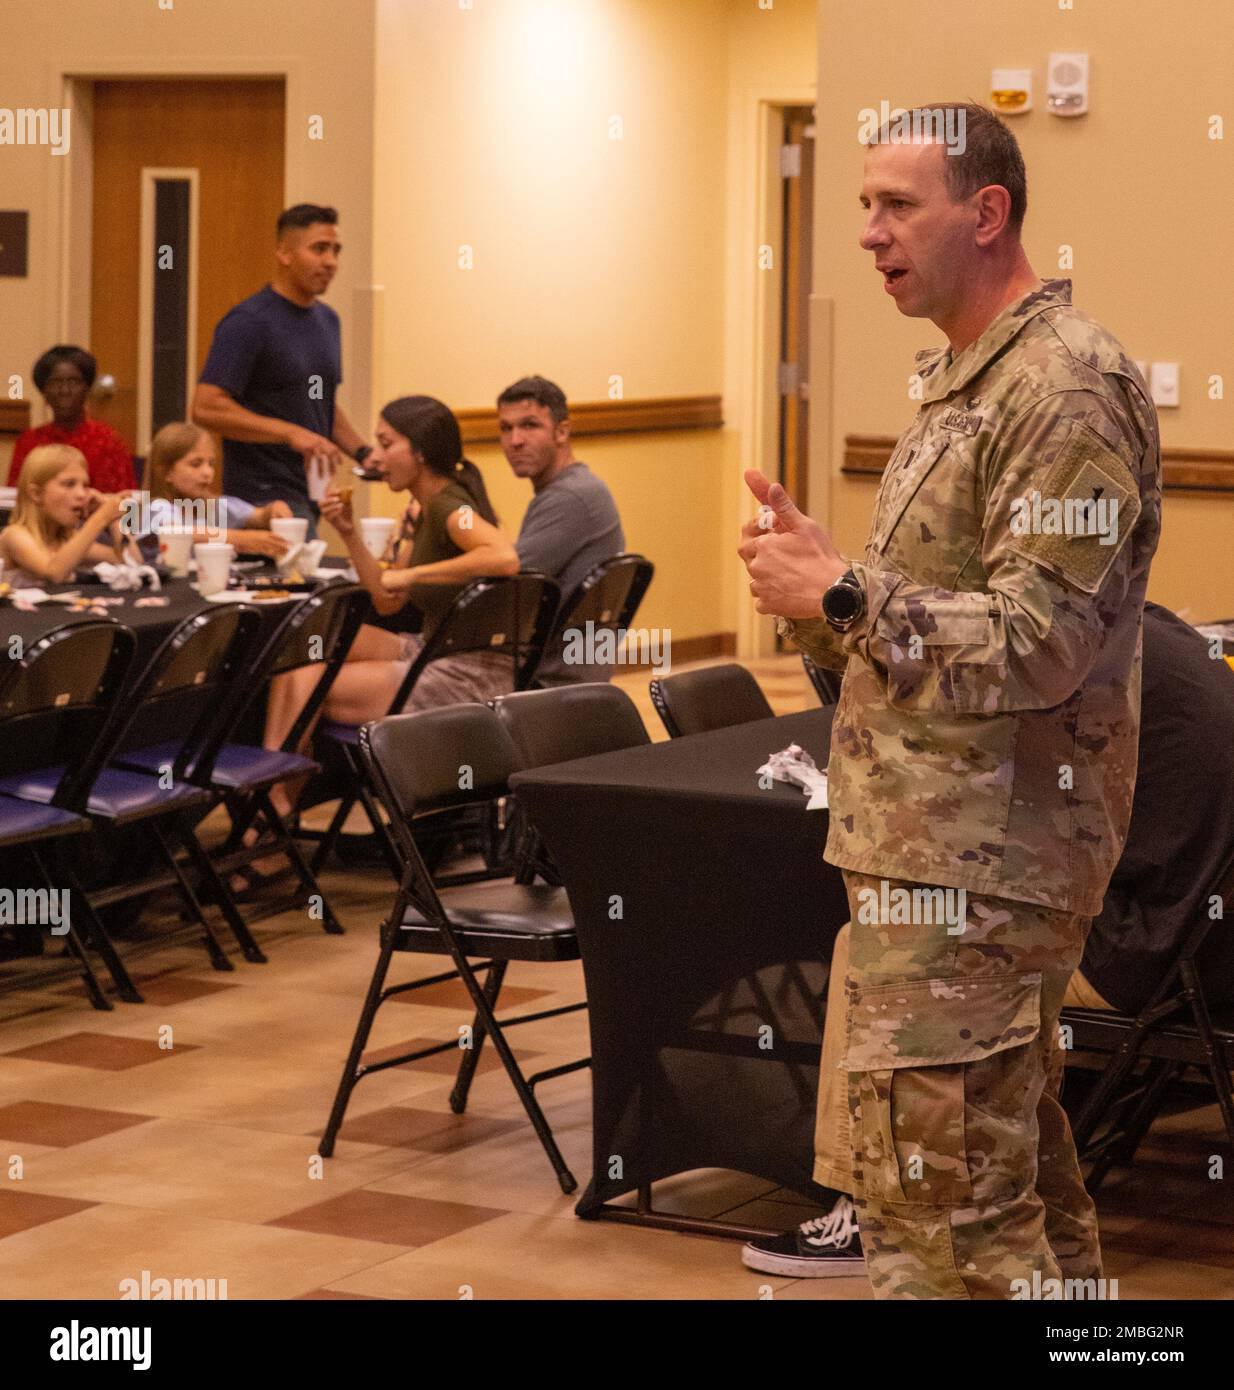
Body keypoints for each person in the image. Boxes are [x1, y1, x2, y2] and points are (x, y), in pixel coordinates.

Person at [738, 103, 1161, 1299]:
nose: (868, 232)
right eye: (861, 205)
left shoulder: (1063, 384)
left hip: (986, 864)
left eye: (895, 205)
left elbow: (1044, 643)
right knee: (1005, 1192)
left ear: (987, 214)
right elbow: (934, 619)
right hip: (940, 856)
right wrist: (831, 595)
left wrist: (849, 596)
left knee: (941, 1223)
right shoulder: (967, 381)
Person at [743, 600, 1234, 1279]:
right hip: (1208, 947)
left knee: (877, 939)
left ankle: (857, 1204)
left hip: (1152, 954)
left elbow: (991, 800)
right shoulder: (1150, 630)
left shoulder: (1067, 662)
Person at [262, 395, 517, 818]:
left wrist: (411, 574)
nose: (374, 456)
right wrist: (349, 533)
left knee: (313, 682)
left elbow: (504, 556)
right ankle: (273, 786)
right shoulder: (427, 507)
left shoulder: (455, 509)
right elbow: (384, 598)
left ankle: (273, 803)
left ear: (419, 453)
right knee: (306, 643)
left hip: (466, 675)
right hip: (429, 648)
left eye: (386, 444)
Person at [191, 204, 370, 532]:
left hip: (311, 489)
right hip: (261, 495)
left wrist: (364, 452)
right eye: (319, 249)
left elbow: (320, 403)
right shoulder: (249, 322)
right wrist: (291, 434)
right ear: (284, 254)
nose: (330, 262)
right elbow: (205, 407)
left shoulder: (328, 321)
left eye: (335, 250)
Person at [497, 376, 625, 684]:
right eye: (506, 428)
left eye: (529, 425)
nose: (515, 440)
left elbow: (504, 591)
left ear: (562, 431)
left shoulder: (570, 497)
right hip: (564, 667)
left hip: (550, 677)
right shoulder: (577, 488)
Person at [134, 422, 292, 559]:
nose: (208, 473)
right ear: (166, 472)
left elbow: (258, 516)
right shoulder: (156, 507)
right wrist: (240, 538)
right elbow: (176, 533)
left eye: (211, 463)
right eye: (196, 464)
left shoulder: (213, 505)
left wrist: (273, 510)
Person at [0, 444, 135, 585]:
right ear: (36, 494)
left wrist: (115, 520)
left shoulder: (67, 540)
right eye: (69, 484)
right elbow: (53, 573)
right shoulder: (14, 535)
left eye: (85, 486)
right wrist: (100, 518)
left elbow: (132, 562)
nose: (82, 494)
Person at [7, 346, 135, 493]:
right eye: (55, 383)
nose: (65, 391)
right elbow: (15, 503)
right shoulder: (28, 442)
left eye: (73, 382)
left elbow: (129, 509)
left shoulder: (108, 442)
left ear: (87, 389)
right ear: (44, 391)